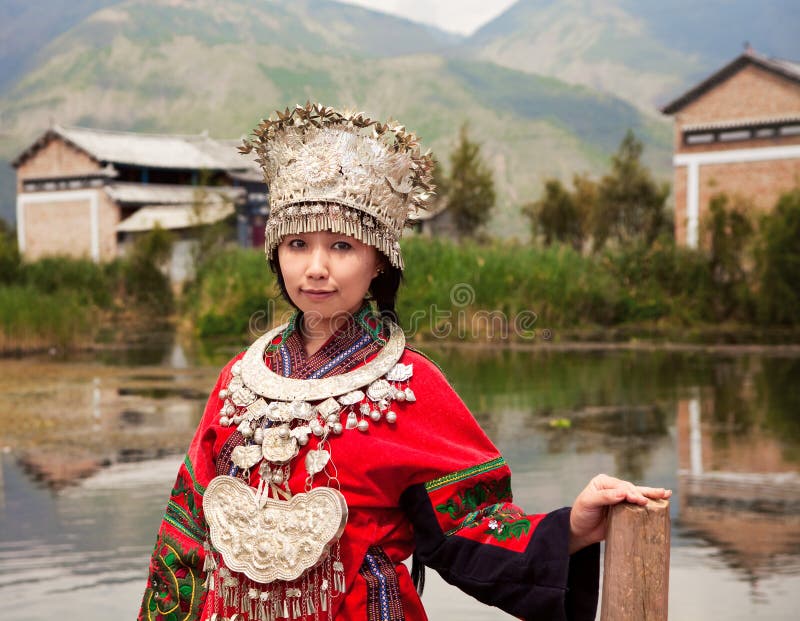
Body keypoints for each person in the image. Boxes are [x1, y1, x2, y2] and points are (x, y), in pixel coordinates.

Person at [138, 103, 670, 621]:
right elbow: (186, 532)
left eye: (342, 246)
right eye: (298, 243)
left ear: (378, 262)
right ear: (276, 251)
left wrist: (571, 528)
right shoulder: (238, 379)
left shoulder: (412, 386)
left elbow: (470, 525)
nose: (316, 268)